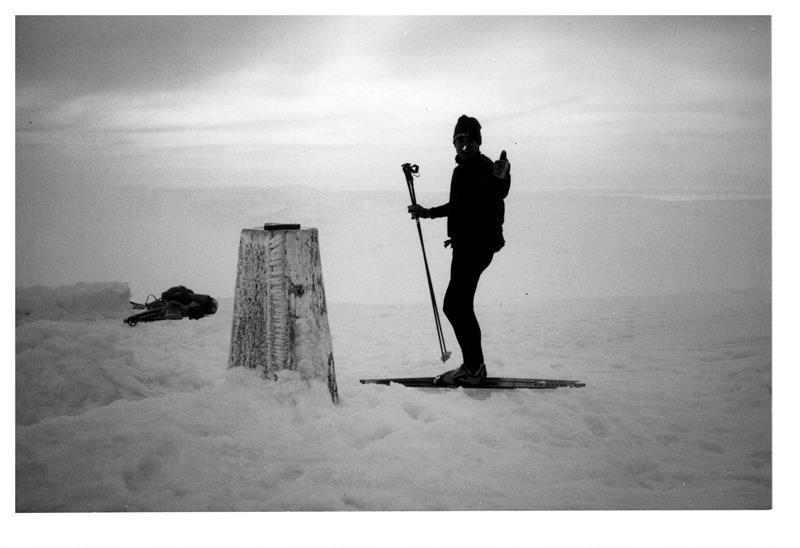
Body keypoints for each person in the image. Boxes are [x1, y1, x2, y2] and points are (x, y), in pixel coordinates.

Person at [408, 114, 511, 386]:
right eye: (459, 140)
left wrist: (504, 178)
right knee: (458, 306)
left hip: (476, 246)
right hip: (467, 245)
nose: (464, 145)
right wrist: (428, 212)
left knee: (455, 306)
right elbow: (460, 206)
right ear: (454, 143)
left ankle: (473, 369)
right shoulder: (463, 169)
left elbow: (496, 189)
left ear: (478, 142)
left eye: (469, 140)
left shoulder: (483, 167)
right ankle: (474, 367)